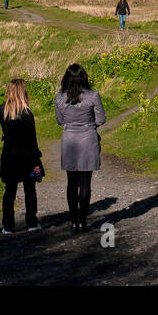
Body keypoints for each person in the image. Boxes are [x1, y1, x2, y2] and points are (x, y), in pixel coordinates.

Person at [55, 64, 106, 233]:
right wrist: (89, 124)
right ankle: (83, 221)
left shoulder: (60, 97)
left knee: (71, 182)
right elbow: (101, 119)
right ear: (84, 77)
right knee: (85, 182)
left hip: (69, 139)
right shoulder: (93, 96)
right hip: (87, 138)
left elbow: (60, 120)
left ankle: (73, 221)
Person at [0, 78, 44, 234]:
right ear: (23, 91)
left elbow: (5, 131)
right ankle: (31, 221)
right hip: (26, 155)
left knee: (9, 191)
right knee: (29, 190)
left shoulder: (2, 109)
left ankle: (7, 225)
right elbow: (32, 137)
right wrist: (36, 157)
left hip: (9, 154)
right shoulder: (27, 112)